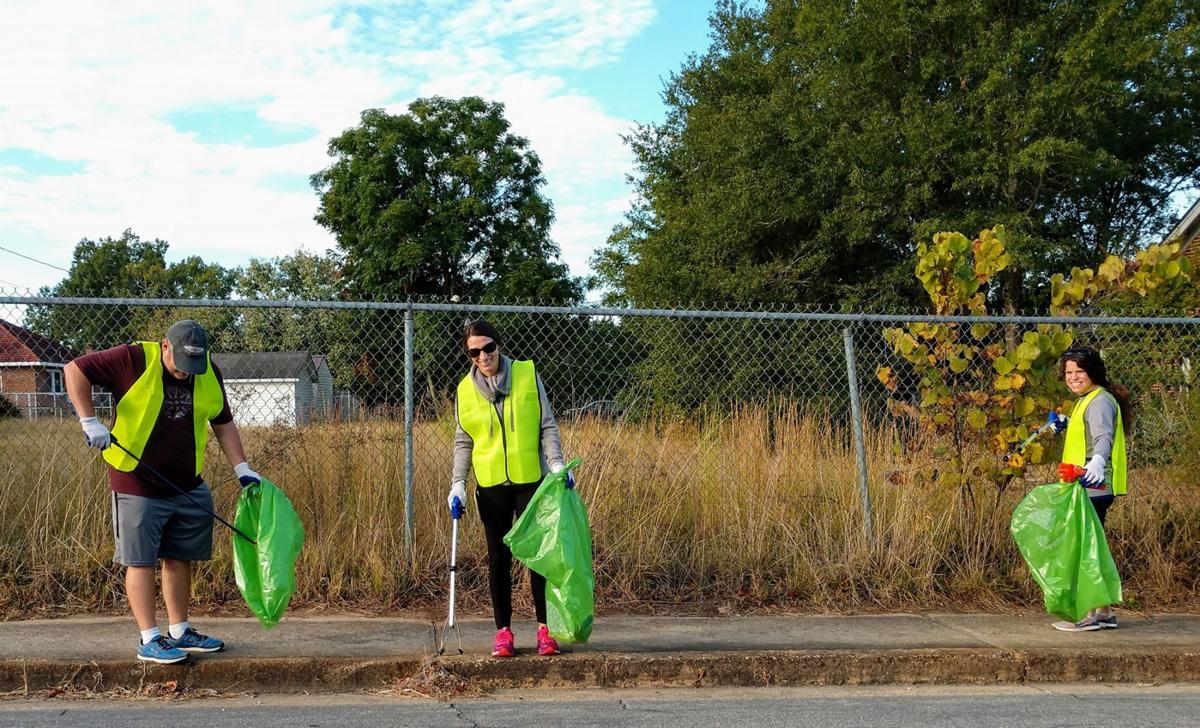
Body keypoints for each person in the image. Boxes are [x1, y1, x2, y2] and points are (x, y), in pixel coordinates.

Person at [64, 320, 262, 664]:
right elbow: (75, 369)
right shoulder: (133, 359)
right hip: (136, 479)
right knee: (140, 559)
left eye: (193, 367)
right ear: (165, 346)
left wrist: (242, 468)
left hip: (187, 482)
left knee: (180, 555)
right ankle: (149, 638)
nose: (186, 374)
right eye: (181, 365)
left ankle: (179, 630)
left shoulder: (207, 370)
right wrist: (88, 419)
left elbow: (222, 421)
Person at [449, 319, 572, 658]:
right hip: (491, 487)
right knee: (498, 560)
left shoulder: (527, 375)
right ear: (469, 354)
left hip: (530, 481)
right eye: (474, 352)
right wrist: (458, 483)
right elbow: (464, 440)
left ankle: (545, 631)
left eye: (488, 347)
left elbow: (547, 425)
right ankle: (503, 632)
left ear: (498, 345)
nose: (483, 356)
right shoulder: (464, 391)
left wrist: (557, 462)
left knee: (539, 556)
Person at [1046, 345, 1131, 632]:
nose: (1072, 377)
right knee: (1093, 545)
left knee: (1084, 549)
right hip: (1085, 483)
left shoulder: (1099, 401)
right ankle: (1103, 611)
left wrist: (1096, 462)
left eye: (1079, 371)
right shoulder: (1088, 400)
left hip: (1092, 483)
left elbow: (1103, 436)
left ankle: (1088, 614)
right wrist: (1067, 424)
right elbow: (1090, 431)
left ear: (1092, 372)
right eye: (1068, 372)